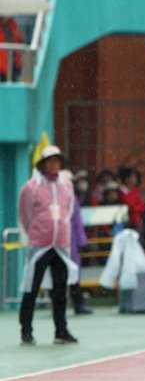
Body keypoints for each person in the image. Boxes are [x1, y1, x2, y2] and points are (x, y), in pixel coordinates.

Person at [18, 145, 80, 345]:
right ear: (43, 164)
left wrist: (62, 230)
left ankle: (61, 331)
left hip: (60, 245)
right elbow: (25, 213)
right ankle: (26, 330)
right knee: (32, 288)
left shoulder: (67, 185)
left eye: (57, 161)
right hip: (39, 244)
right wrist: (33, 235)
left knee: (60, 290)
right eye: (50, 161)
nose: (54, 165)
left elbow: (69, 211)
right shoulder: (31, 186)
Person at [69, 171, 92, 315]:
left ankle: (78, 304)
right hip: (57, 243)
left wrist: (81, 241)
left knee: (74, 275)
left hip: (70, 243)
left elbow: (77, 222)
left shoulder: (72, 199)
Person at [0, 16, 23, 82]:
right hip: (2, 66)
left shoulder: (12, 23)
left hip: (14, 62)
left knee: (14, 82)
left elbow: (18, 39)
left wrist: (21, 39)